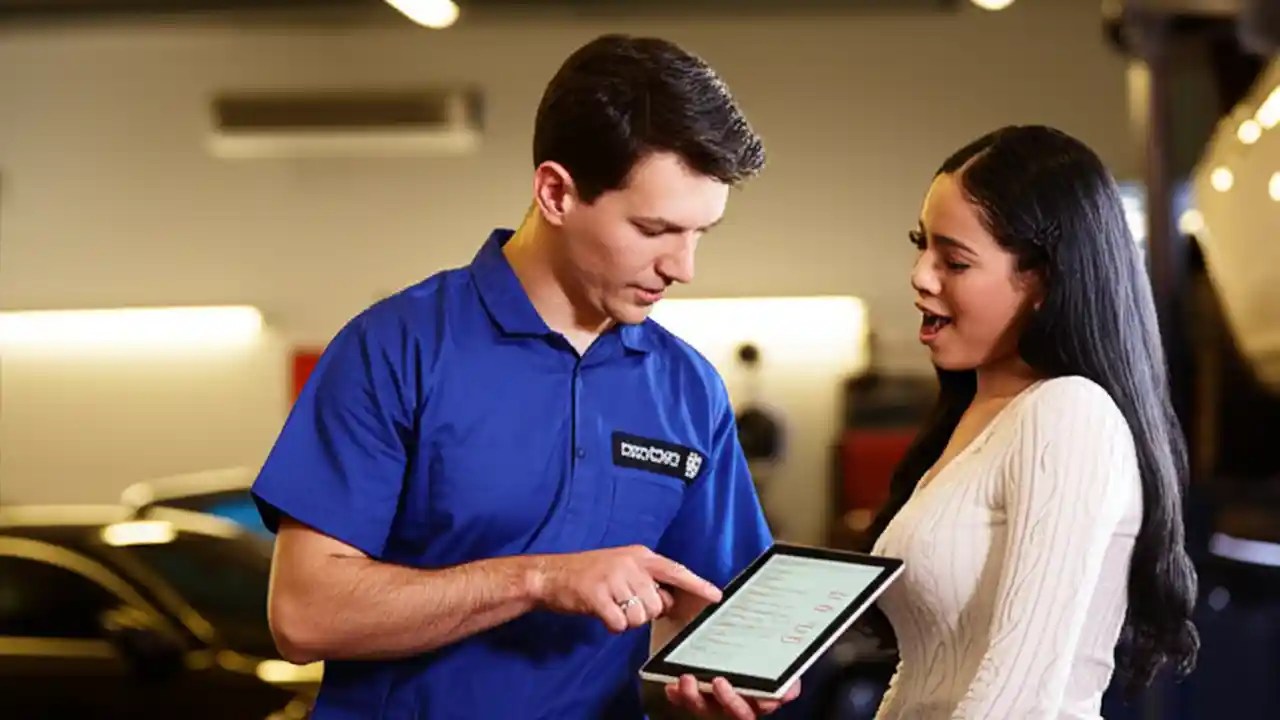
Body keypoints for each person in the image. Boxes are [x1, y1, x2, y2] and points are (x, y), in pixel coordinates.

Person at [250, 34, 799, 720]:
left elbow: (709, 626)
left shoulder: (689, 391)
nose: (683, 267)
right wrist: (538, 579)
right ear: (556, 192)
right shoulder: (395, 349)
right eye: (655, 229)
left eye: (701, 234)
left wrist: (704, 702)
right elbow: (304, 617)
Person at [865, 125, 1200, 719]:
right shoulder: (974, 419)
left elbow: (1018, 696)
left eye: (955, 261)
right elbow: (921, 675)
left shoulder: (1069, 413)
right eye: (922, 246)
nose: (920, 275)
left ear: (1043, 280)